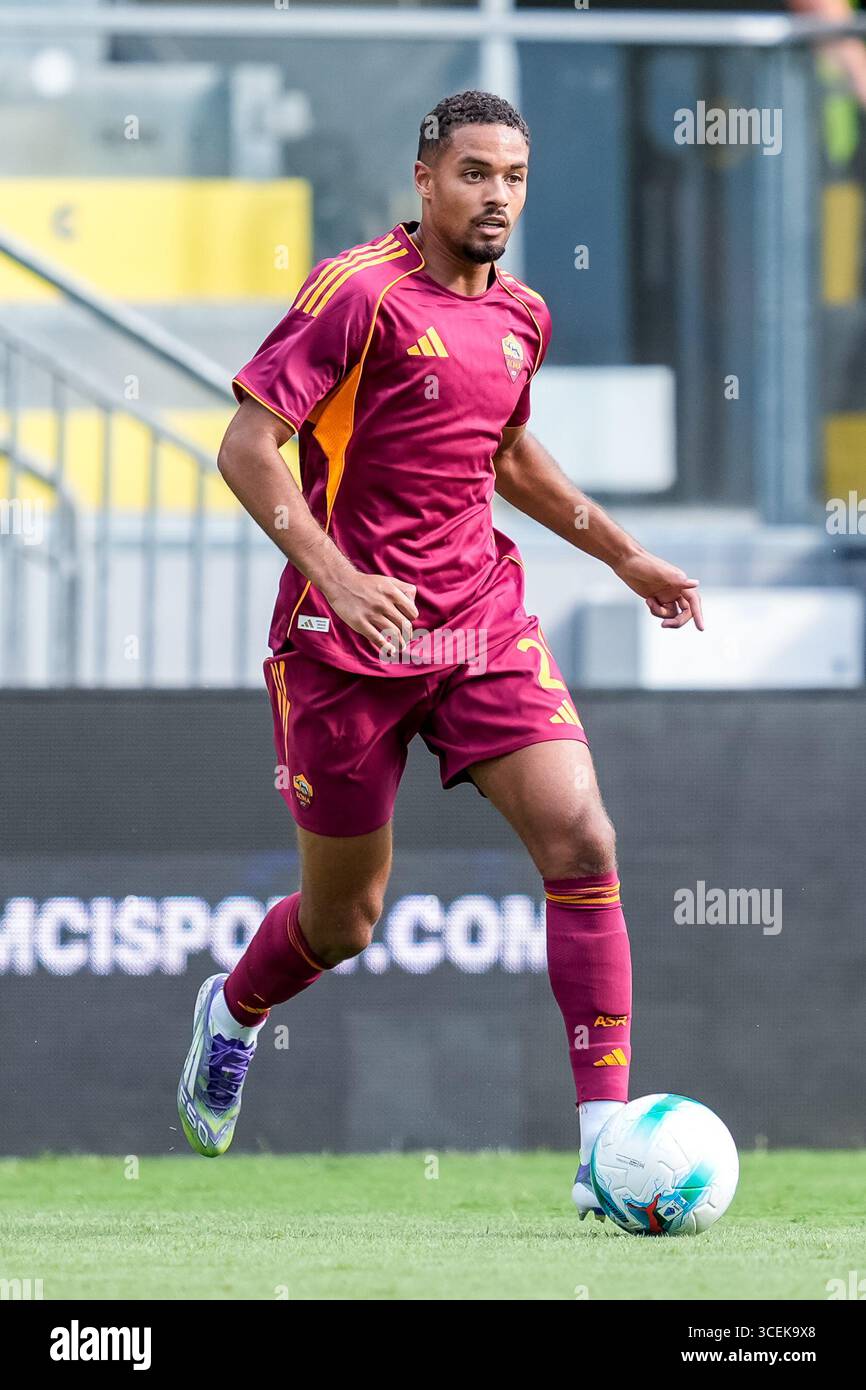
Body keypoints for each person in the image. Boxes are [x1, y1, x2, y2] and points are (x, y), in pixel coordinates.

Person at [176, 90, 703, 1220]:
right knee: (343, 924)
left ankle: (602, 1149)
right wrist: (339, 576)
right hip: (341, 645)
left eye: (512, 174)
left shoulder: (522, 315)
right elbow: (245, 446)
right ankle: (233, 1012)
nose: (496, 194)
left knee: (580, 839)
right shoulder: (356, 293)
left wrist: (626, 557)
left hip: (480, 624)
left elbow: (507, 454)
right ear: (424, 180)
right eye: (473, 172)